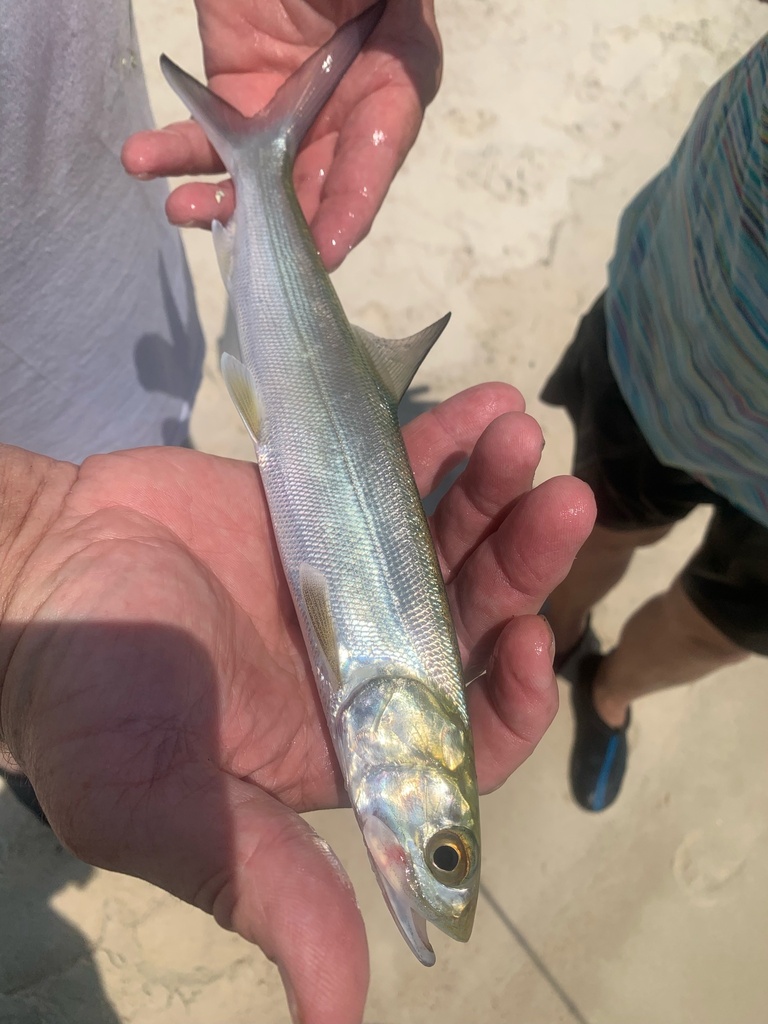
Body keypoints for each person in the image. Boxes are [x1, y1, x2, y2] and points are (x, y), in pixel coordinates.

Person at [1, 3, 596, 1023]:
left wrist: (21, 560)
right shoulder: (400, 687)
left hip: (91, 265)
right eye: (438, 849)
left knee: (153, 414)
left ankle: (253, 173)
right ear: (420, 746)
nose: (422, 865)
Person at [541, 36, 768, 813]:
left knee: (724, 628)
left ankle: (607, 694)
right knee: (600, 526)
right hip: (691, 331)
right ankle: (557, 637)